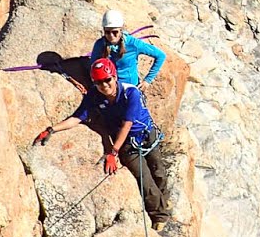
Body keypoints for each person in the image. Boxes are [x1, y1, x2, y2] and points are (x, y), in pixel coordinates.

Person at [34, 57, 170, 221]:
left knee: (159, 171)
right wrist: (52, 129)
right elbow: (77, 118)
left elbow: (128, 124)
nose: (104, 86)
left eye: (107, 80)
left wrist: (113, 151)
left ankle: (164, 204)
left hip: (145, 135)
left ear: (114, 77)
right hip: (127, 143)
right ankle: (159, 216)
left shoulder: (130, 93)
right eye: (99, 83)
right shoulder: (94, 96)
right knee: (145, 179)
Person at [89, 9, 166, 87]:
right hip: (109, 88)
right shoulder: (100, 44)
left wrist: (147, 80)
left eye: (115, 32)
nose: (111, 35)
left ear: (121, 30)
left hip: (130, 88)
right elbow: (93, 65)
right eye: (107, 32)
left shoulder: (133, 44)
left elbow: (160, 55)